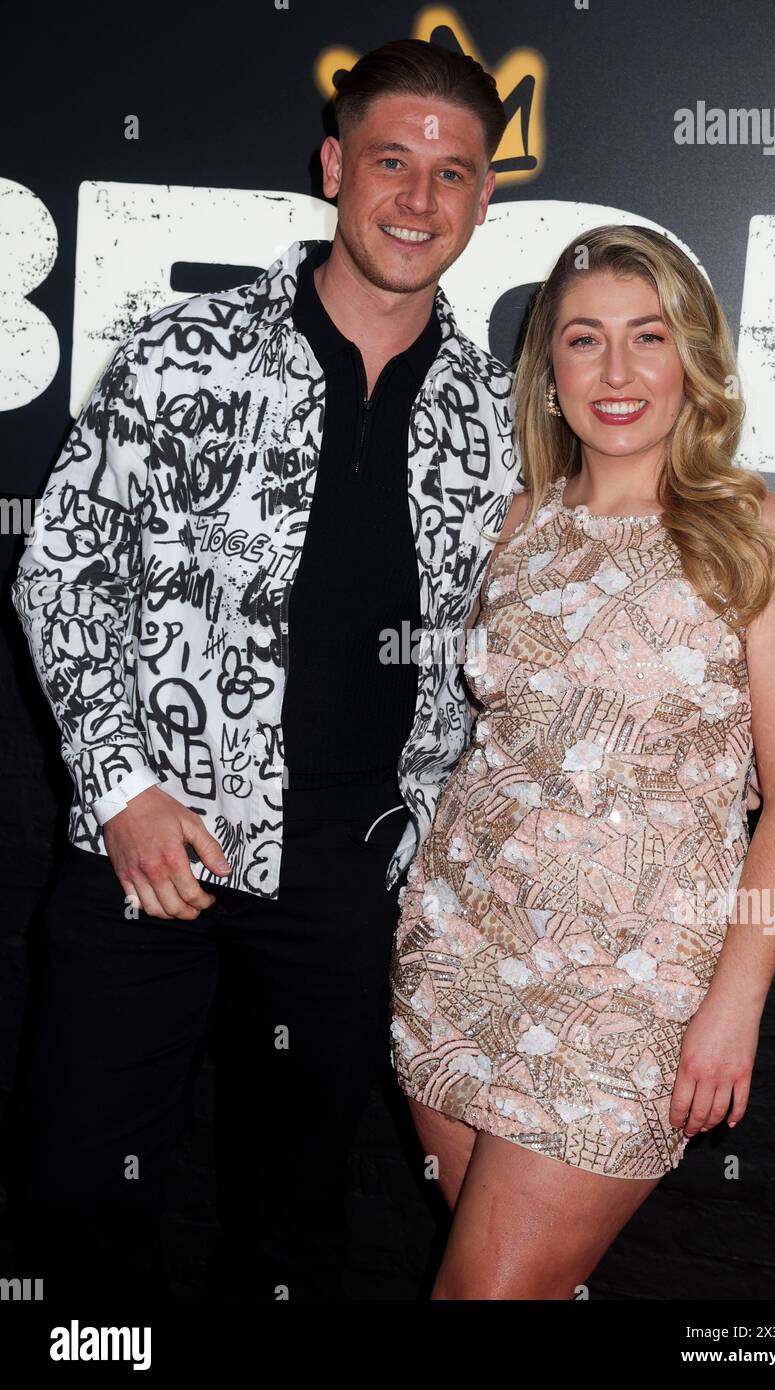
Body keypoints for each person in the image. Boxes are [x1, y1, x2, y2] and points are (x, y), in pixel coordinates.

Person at [1, 39, 520, 1302]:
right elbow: (62, 568)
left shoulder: (494, 421)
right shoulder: (186, 351)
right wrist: (122, 791)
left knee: (291, 1224)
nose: (416, 198)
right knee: (76, 1199)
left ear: (480, 202)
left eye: (450, 174)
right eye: (391, 161)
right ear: (334, 166)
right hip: (150, 859)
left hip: (350, 887)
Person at [389, 224, 775, 1299]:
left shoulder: (758, 537)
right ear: (546, 372)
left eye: (647, 337)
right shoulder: (514, 527)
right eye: (583, 339)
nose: (615, 370)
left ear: (691, 355)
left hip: (631, 994)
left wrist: (733, 1002)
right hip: (457, 951)